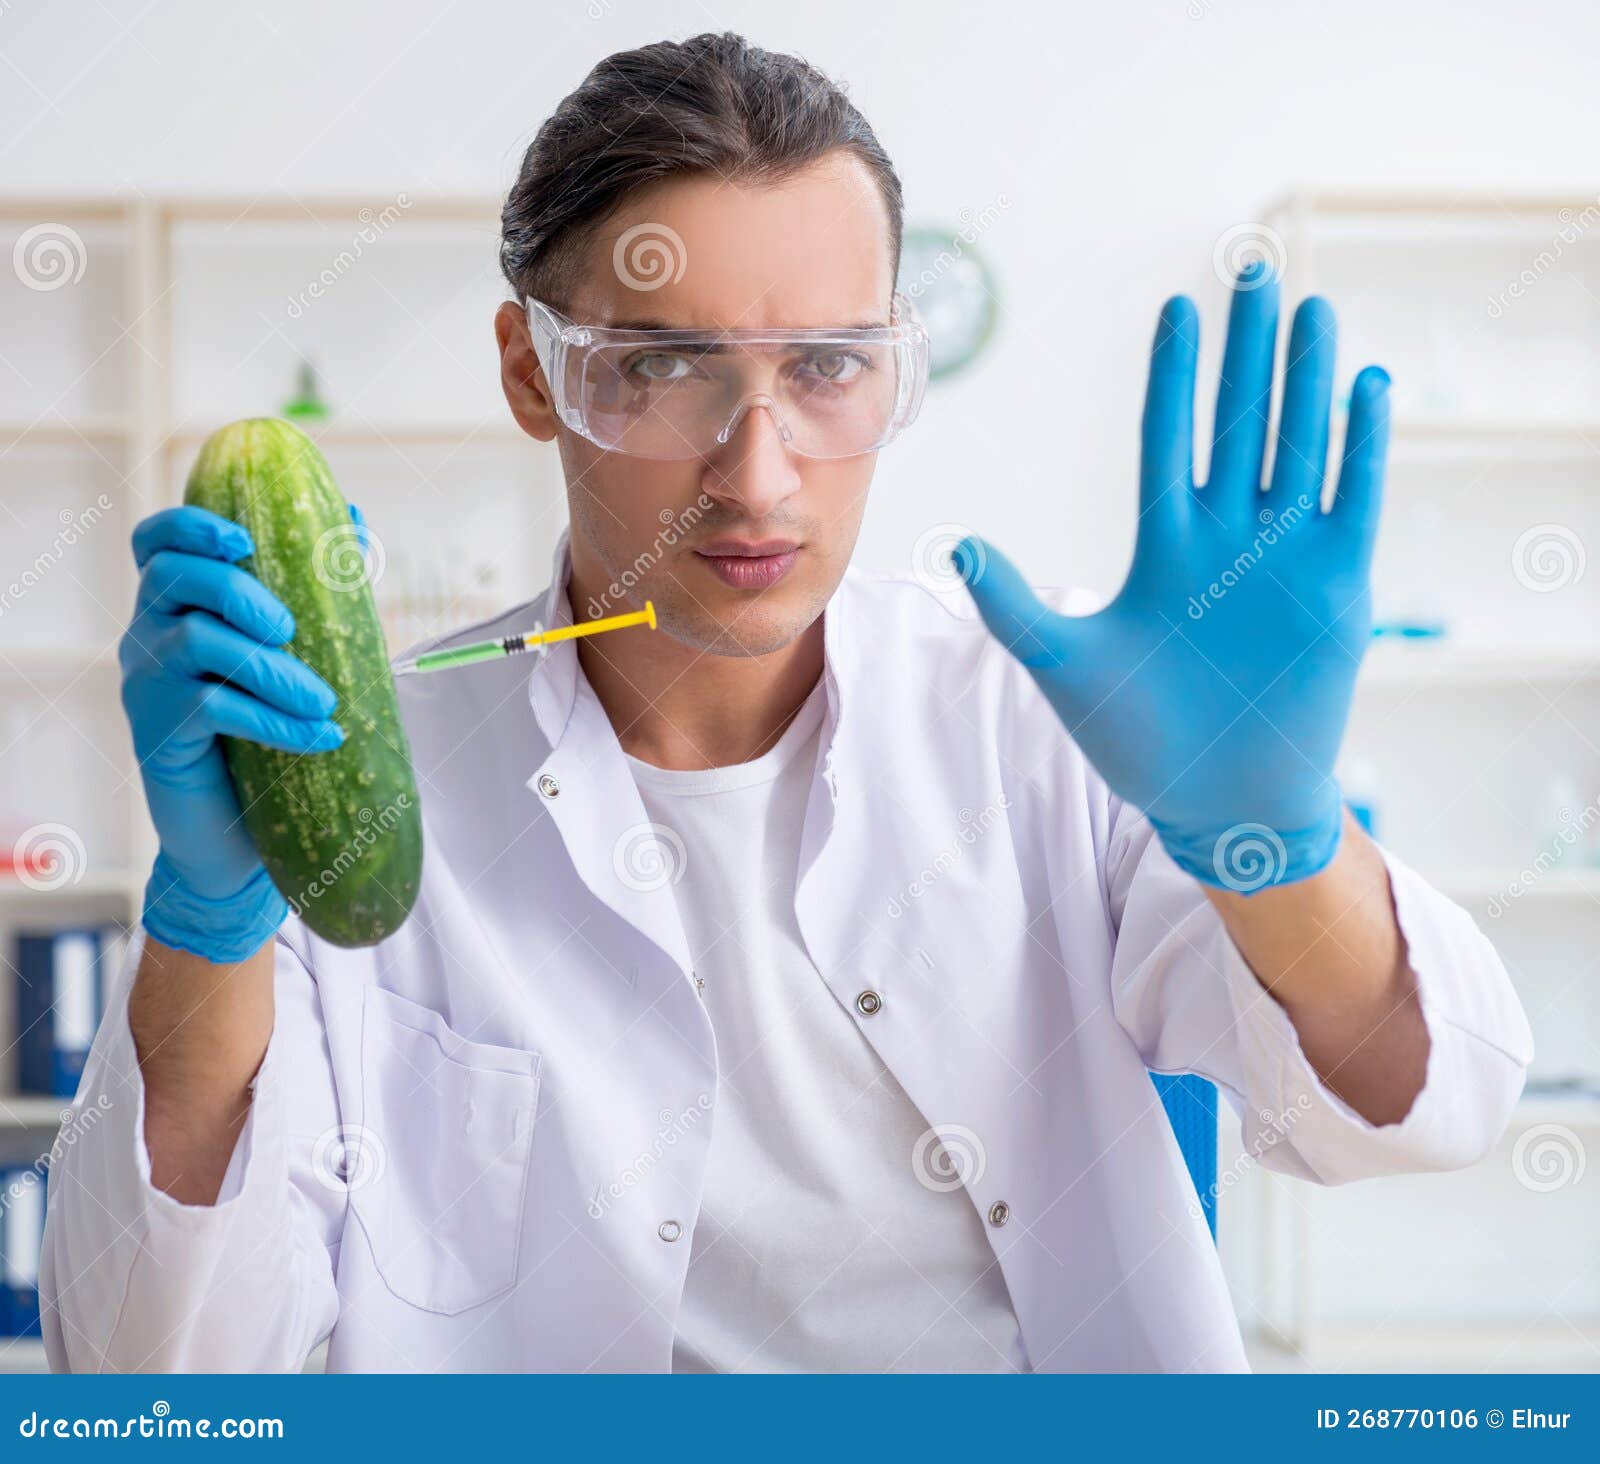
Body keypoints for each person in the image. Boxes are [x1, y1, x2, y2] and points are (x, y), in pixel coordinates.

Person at [42, 31, 1530, 1374]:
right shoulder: (352, 779)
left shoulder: (1042, 716)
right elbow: (153, 1369)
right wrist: (205, 925)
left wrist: (1273, 836)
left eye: (828, 368)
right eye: (666, 366)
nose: (758, 476)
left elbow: (1427, 1103)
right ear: (530, 371)